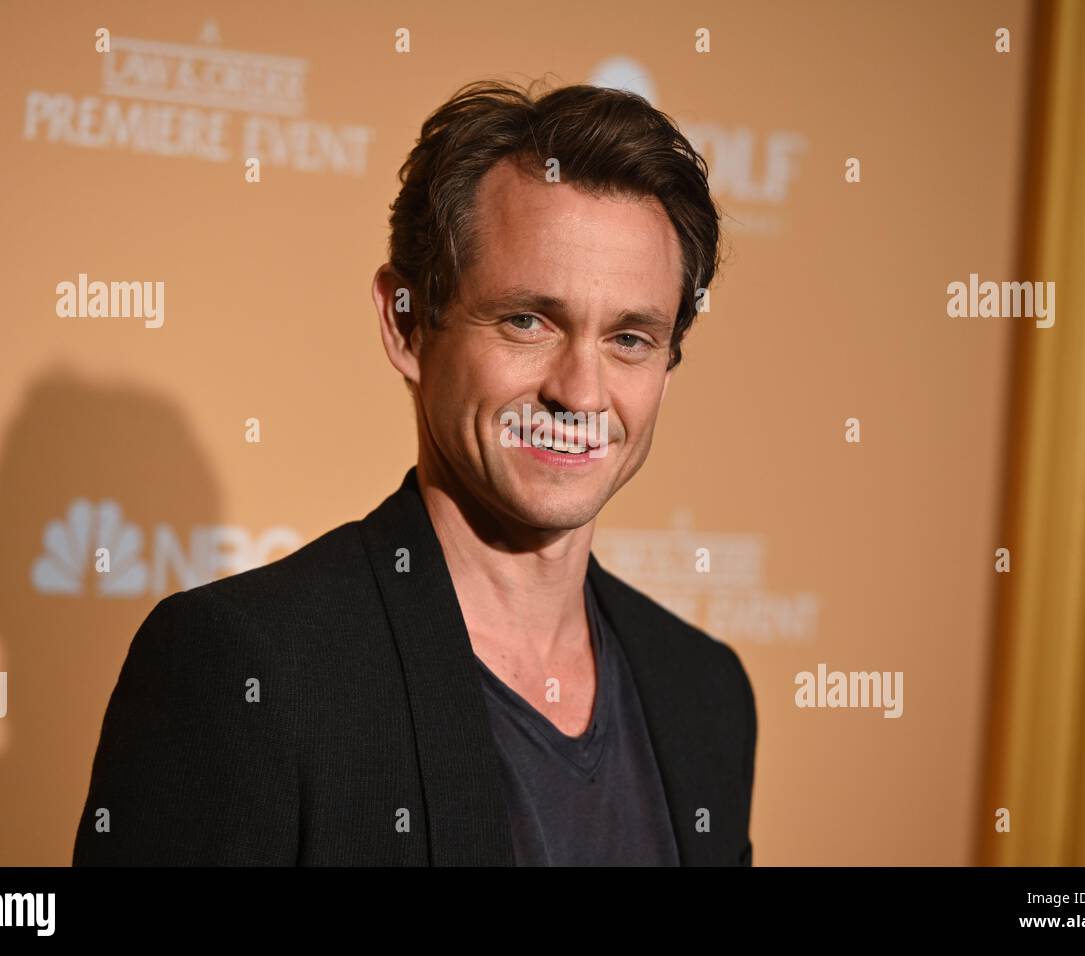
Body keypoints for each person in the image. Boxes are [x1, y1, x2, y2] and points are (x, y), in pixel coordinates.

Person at [73, 77, 757, 866]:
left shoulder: (705, 694)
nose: (581, 391)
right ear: (407, 325)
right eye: (528, 320)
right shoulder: (249, 670)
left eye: (630, 338)